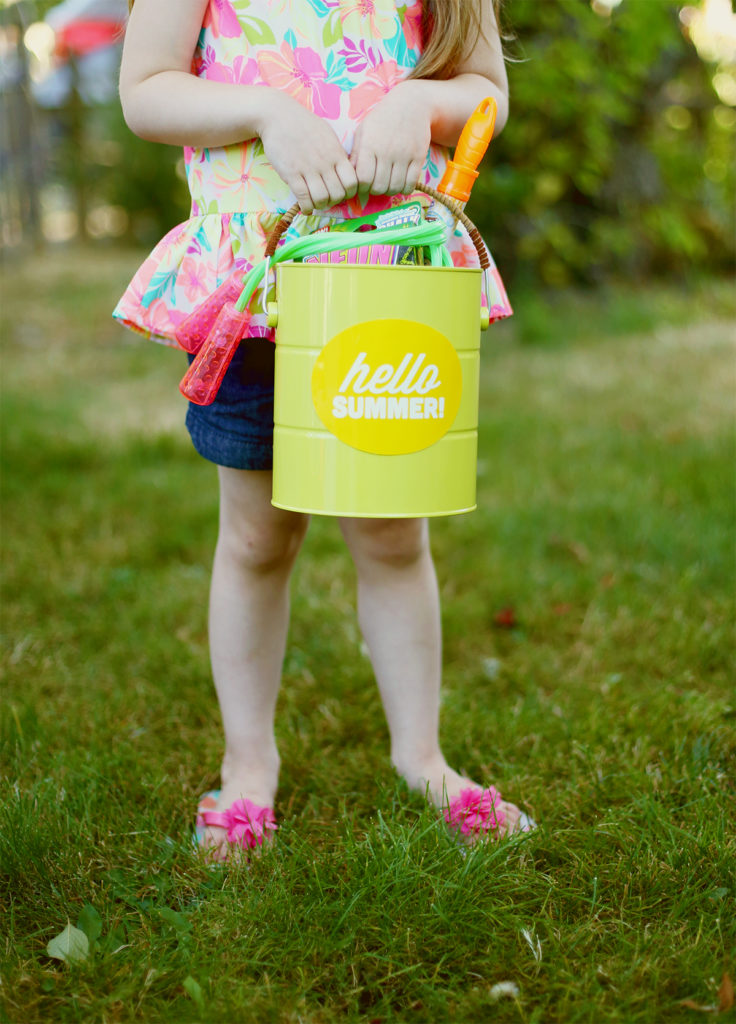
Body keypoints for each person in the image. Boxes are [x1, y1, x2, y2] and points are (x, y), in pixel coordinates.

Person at [114, 0, 531, 861]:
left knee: (391, 535)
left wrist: (424, 103)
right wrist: (268, 111)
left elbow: (487, 90)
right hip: (260, 280)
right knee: (259, 535)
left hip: (389, 280)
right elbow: (145, 92)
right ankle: (248, 766)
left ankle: (422, 757)